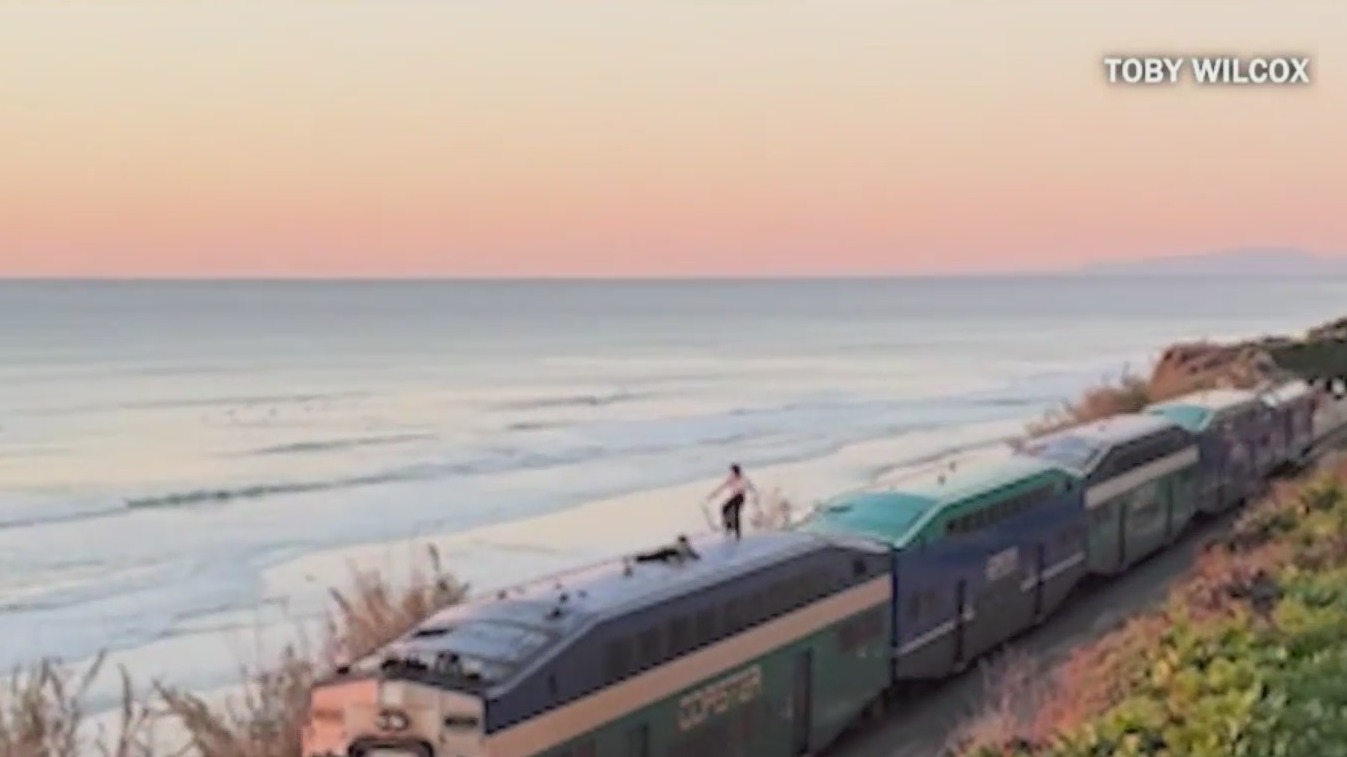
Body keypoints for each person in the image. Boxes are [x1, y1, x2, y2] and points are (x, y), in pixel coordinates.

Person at [706, 463, 757, 540]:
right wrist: (713, 494)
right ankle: (728, 526)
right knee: (724, 508)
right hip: (734, 497)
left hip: (740, 497)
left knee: (736, 514)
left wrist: (754, 493)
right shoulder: (731, 477)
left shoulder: (743, 478)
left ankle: (738, 534)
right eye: (732, 471)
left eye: (734, 471)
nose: (732, 472)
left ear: (737, 471)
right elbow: (723, 486)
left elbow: (750, 486)